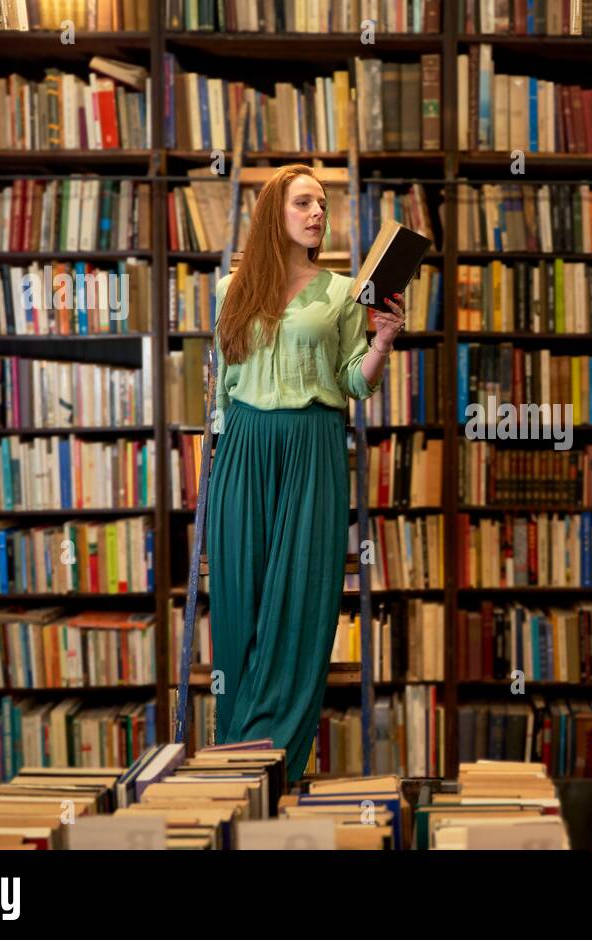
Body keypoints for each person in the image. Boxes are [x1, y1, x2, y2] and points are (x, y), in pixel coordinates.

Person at [206, 163, 405, 783]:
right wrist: (215, 465)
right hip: (243, 442)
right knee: (239, 599)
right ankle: (233, 759)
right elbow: (222, 389)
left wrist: (383, 342)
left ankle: (274, 764)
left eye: (322, 203)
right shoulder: (230, 291)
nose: (318, 213)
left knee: (300, 602)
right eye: (303, 203)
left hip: (314, 443)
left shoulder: (345, 292)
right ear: (275, 213)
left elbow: (352, 381)